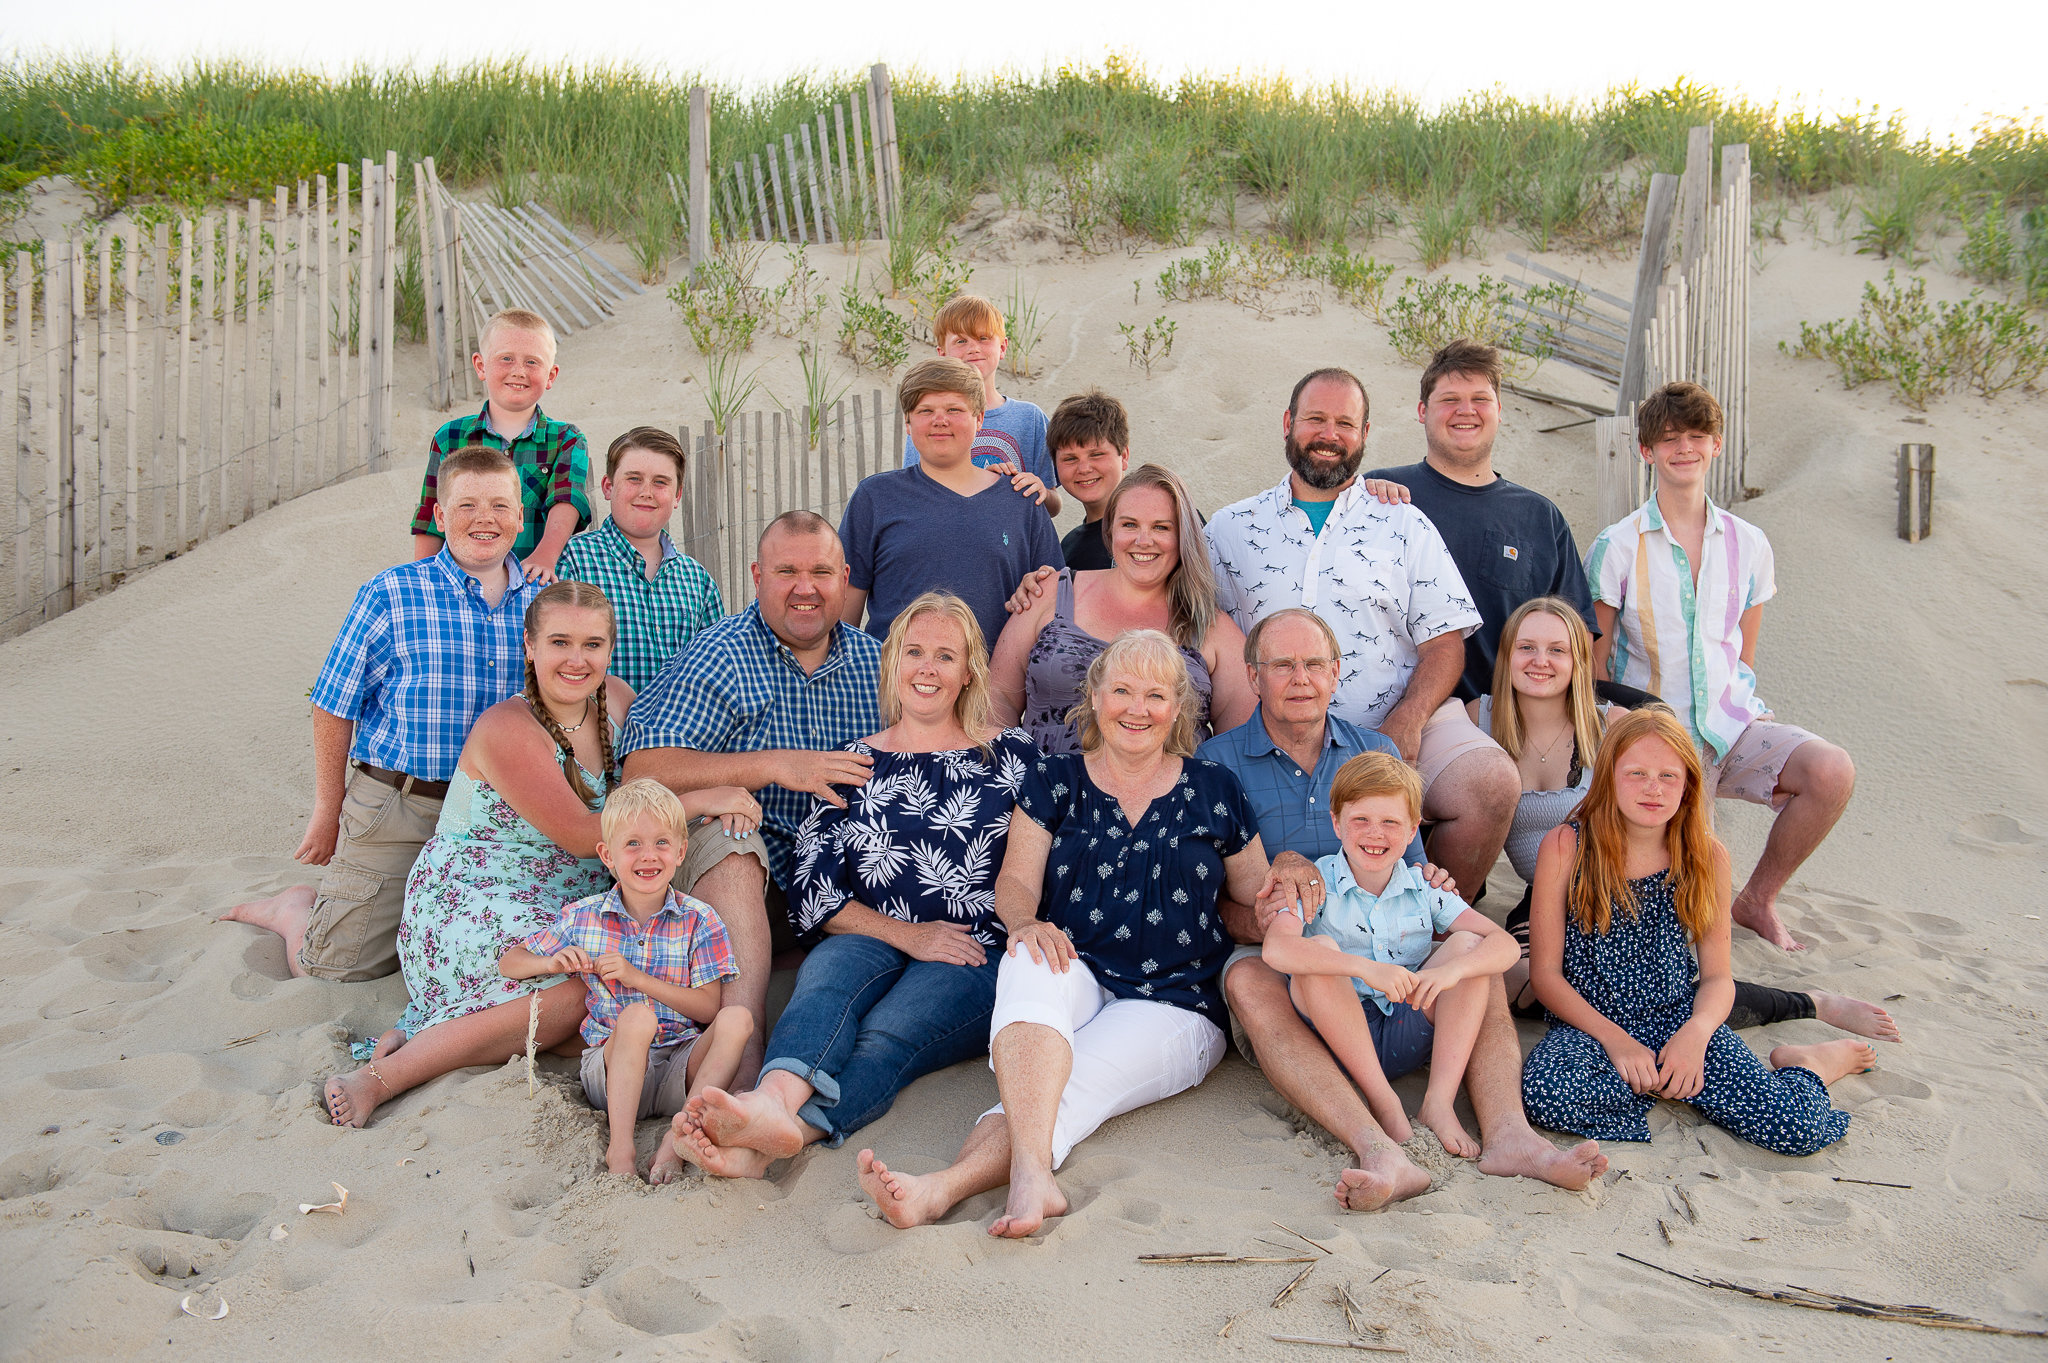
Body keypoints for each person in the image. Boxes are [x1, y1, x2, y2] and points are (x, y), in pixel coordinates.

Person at [857, 632, 1319, 1237]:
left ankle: (944, 1188)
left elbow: (1254, 902)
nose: (1137, 708)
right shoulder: (1055, 779)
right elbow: (1016, 883)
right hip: (1078, 966)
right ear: (1094, 699)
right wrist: (1025, 922)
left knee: (1063, 1090)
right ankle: (1030, 1176)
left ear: (1177, 709)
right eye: (1122, 690)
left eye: (1155, 695)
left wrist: (1289, 868)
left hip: (1172, 999)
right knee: (1025, 958)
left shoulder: (1214, 790)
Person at [1206, 608, 1609, 1210]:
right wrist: (1275, 910)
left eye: (1315, 664)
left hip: (1387, 951)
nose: (1300, 678)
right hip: (1288, 957)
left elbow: (1412, 870)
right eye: (1281, 665)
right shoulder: (1215, 765)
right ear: (1253, 675)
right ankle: (1376, 1144)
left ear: (1337, 673)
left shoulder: (1375, 750)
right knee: (1248, 980)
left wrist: (1436, 890)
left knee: (1473, 957)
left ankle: (1509, 1135)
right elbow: (1209, 903)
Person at [316, 582, 758, 1128]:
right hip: (475, 895)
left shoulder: (616, 700)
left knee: (619, 991)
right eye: (560, 642)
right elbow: (578, 832)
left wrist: (725, 802)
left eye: (593, 644)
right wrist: (697, 799)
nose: (577, 660)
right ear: (529, 646)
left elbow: (649, 780)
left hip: (569, 900)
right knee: (576, 996)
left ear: (610, 649)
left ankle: (443, 1032)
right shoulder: (507, 727)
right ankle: (382, 1078)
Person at [671, 593, 1039, 1177]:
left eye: (944, 656)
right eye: (914, 652)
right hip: (868, 936)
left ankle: (788, 1133)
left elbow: (1036, 868)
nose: (927, 668)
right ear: (892, 663)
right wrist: (908, 935)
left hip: (972, 950)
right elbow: (812, 892)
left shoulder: (1013, 757)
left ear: (969, 670)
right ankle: (771, 1103)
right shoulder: (852, 764)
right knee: (824, 987)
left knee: (889, 1034)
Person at [1475, 597, 1899, 1040]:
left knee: (1656, 995)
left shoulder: (1615, 725)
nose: (1541, 661)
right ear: (1506, 656)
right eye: (1527, 648)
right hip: (1552, 893)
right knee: (1521, 988)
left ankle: (1810, 1003)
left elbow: (1674, 800)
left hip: (1634, 886)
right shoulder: (1478, 720)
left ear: (1579, 660)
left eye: (1558, 650)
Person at [223, 448, 544, 982]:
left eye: (499, 506)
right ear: (440, 517)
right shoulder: (391, 593)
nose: (484, 519)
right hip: (399, 805)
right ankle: (293, 911)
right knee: (336, 969)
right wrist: (327, 813)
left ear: (518, 517)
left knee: (483, 968)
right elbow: (332, 707)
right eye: (466, 505)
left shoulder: (544, 601)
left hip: (496, 816)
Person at [1204, 367, 1518, 898]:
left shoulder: (1403, 522)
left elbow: (1445, 643)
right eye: (1316, 419)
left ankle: (1426, 924)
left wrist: (1407, 722)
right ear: (1288, 423)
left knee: (1491, 785)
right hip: (1276, 733)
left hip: (1393, 717)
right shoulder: (1231, 529)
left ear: (1365, 434)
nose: (1330, 435)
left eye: (1345, 423)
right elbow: (1203, 635)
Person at [1520, 708, 1875, 1154]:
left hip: (1678, 1019)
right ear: (1608, 777)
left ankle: (1810, 1065)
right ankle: (1660, 1081)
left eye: (1669, 776)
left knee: (1796, 1130)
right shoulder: (1567, 845)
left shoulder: (1706, 855)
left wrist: (1697, 1034)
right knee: (1548, 1095)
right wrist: (1617, 1042)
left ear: (1689, 784)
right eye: (1637, 773)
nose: (1654, 787)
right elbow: (1546, 975)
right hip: (1590, 1027)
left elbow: (1716, 978)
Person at [1586, 381, 1858, 951]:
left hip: (1732, 726)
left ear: (1716, 446)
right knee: (1688, 898)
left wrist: (1744, 716)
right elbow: (1596, 664)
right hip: (1657, 737)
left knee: (1831, 771)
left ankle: (1758, 899)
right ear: (1647, 452)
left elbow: (1744, 655)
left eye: (1696, 436)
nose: (1683, 448)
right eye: (1668, 439)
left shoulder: (1751, 543)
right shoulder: (1616, 544)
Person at [619, 511, 884, 1087]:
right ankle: (741, 1057)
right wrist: (771, 766)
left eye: (820, 572)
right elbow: (640, 774)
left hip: (835, 873)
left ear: (844, 577)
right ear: (758, 575)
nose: (805, 588)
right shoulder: (721, 654)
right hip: (742, 877)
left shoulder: (878, 662)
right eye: (786, 571)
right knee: (733, 833)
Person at [1261, 752, 1519, 1159]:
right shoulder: (1314, 882)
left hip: (1405, 1024)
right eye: (1361, 820)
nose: (1374, 834)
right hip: (1337, 1036)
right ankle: (1384, 1102)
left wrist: (1453, 972)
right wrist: (1364, 968)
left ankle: (1438, 1102)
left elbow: (1504, 943)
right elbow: (1277, 948)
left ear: (1413, 828)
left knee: (1469, 946)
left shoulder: (1424, 885)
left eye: (1391, 823)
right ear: (1336, 822)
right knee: (1321, 952)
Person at [501, 778, 752, 1182]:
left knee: (737, 1018)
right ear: (608, 855)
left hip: (678, 1068)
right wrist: (551, 964)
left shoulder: (700, 919)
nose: (648, 856)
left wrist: (637, 977)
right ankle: (621, 1148)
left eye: (661, 844)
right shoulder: (584, 916)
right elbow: (510, 961)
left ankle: (677, 1136)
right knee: (636, 1018)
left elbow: (708, 1008)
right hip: (612, 1070)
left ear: (680, 852)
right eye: (632, 844)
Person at [1363, 339, 1605, 702]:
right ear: (1422, 410)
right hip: (1389, 712)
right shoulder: (1382, 495)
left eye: (1480, 399)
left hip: (1504, 722)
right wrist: (1362, 491)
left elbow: (1575, 635)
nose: (1466, 410)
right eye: (1449, 400)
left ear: (1499, 410)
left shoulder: (1540, 517)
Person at [990, 463, 1255, 755]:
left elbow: (1242, 743)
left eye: (1161, 527)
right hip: (1044, 794)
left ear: (1183, 537)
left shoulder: (1208, 626)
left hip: (1167, 797)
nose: (1143, 541)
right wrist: (1008, 781)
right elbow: (998, 699)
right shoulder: (1050, 592)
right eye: (1129, 525)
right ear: (1110, 530)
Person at [843, 358, 1063, 651]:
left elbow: (1055, 605)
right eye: (926, 411)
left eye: (954, 410)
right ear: (908, 423)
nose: (940, 420)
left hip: (993, 688)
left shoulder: (1021, 500)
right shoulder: (875, 497)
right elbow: (845, 616)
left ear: (979, 419)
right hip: (893, 687)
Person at [410, 308, 590, 584]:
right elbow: (430, 515)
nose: (518, 371)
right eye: (506, 358)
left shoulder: (566, 439)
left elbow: (567, 501)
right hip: (461, 584)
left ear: (551, 375)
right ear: (481, 366)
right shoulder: (451, 437)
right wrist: (424, 578)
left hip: (536, 582)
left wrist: (545, 556)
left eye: (532, 362)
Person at [557, 426, 723, 693]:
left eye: (660, 482)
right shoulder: (574, 561)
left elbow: (715, 669)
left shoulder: (697, 580)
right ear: (608, 487)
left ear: (678, 495)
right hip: (599, 728)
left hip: (675, 731)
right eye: (634, 479)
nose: (647, 492)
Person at [900, 293, 1061, 517]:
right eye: (961, 341)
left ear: (1003, 347)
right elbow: (914, 491)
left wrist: (1038, 489)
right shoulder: (929, 422)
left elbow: (1053, 504)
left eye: (983, 338)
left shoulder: (1030, 418)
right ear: (942, 354)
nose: (974, 348)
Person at [1047, 390, 1132, 572]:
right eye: (1070, 459)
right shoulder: (1069, 548)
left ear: (1124, 456)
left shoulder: (1167, 522)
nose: (1084, 469)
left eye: (1097, 454)